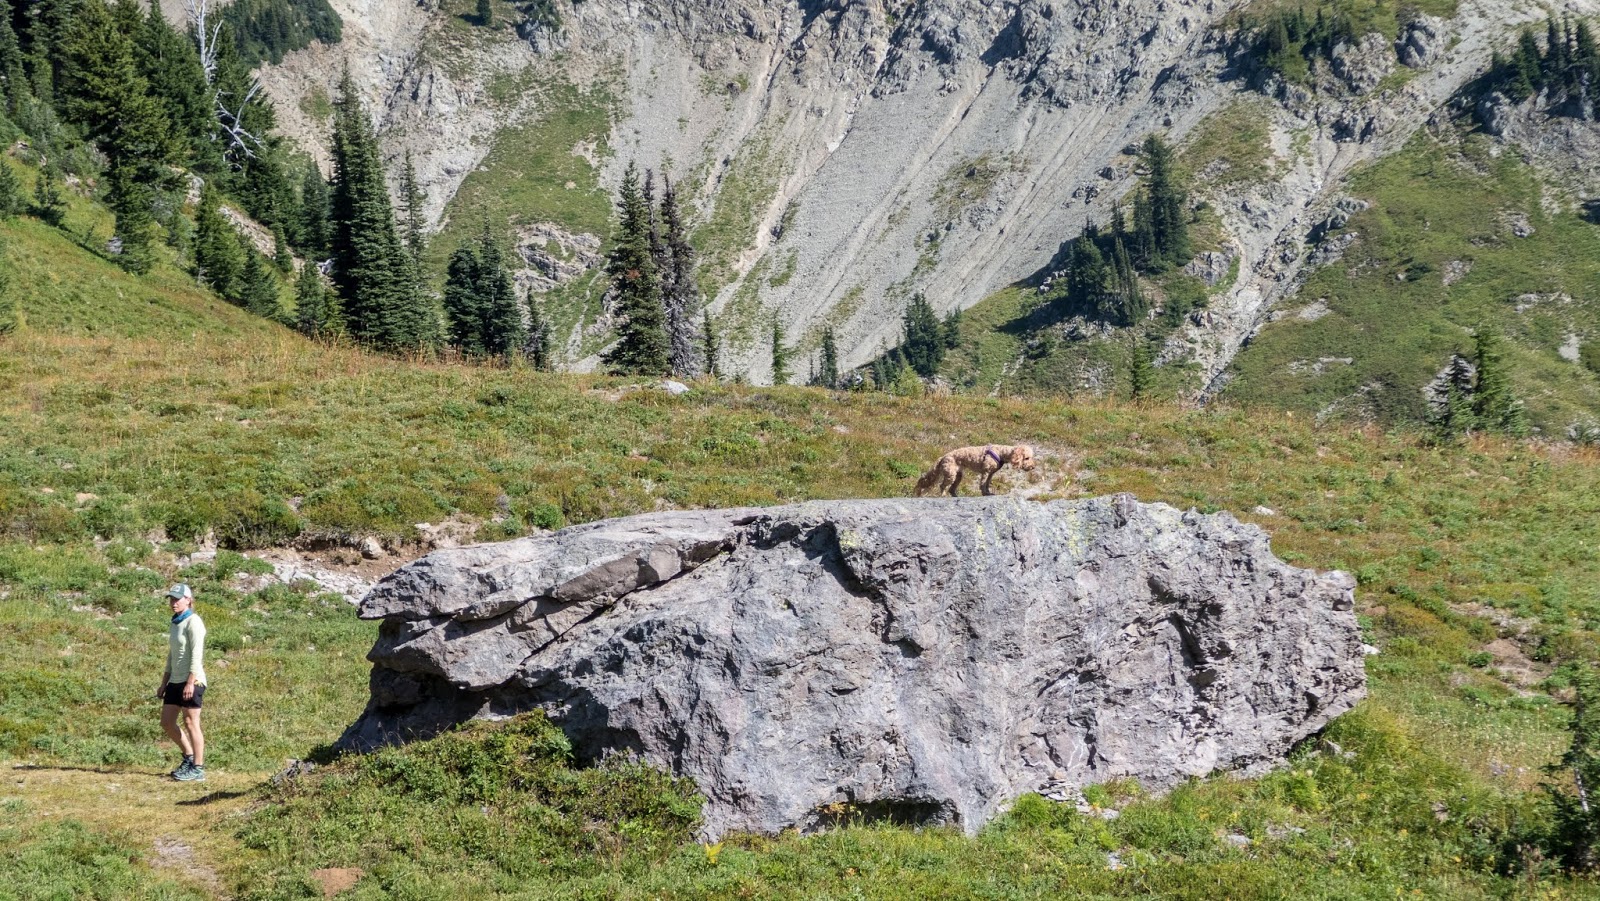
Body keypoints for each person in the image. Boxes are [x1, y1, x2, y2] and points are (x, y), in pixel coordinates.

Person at [158, 582, 208, 782]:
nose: (173, 603)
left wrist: (190, 682)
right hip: (175, 681)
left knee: (191, 722)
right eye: (171, 599)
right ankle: (188, 756)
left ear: (188, 600)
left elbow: (197, 654)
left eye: (177, 599)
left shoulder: (193, 622)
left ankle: (198, 767)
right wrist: (164, 682)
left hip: (192, 681)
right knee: (167, 722)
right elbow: (172, 654)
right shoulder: (175, 622)